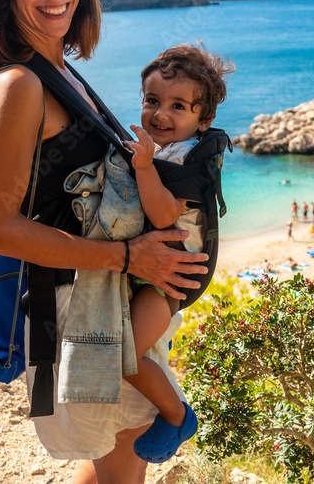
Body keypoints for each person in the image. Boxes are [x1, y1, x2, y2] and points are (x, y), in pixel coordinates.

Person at [0, 0, 208, 483]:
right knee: (122, 461)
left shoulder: (59, 69)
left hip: (98, 299)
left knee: (117, 458)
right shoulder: (19, 84)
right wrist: (128, 256)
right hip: (73, 308)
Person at [123, 44, 233, 462]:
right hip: (148, 269)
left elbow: (164, 211)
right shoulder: (163, 150)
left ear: (203, 120)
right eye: (152, 101)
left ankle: (176, 415)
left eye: (178, 106)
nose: (161, 115)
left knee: (124, 354)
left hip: (169, 281)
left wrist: (145, 167)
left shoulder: (190, 163)